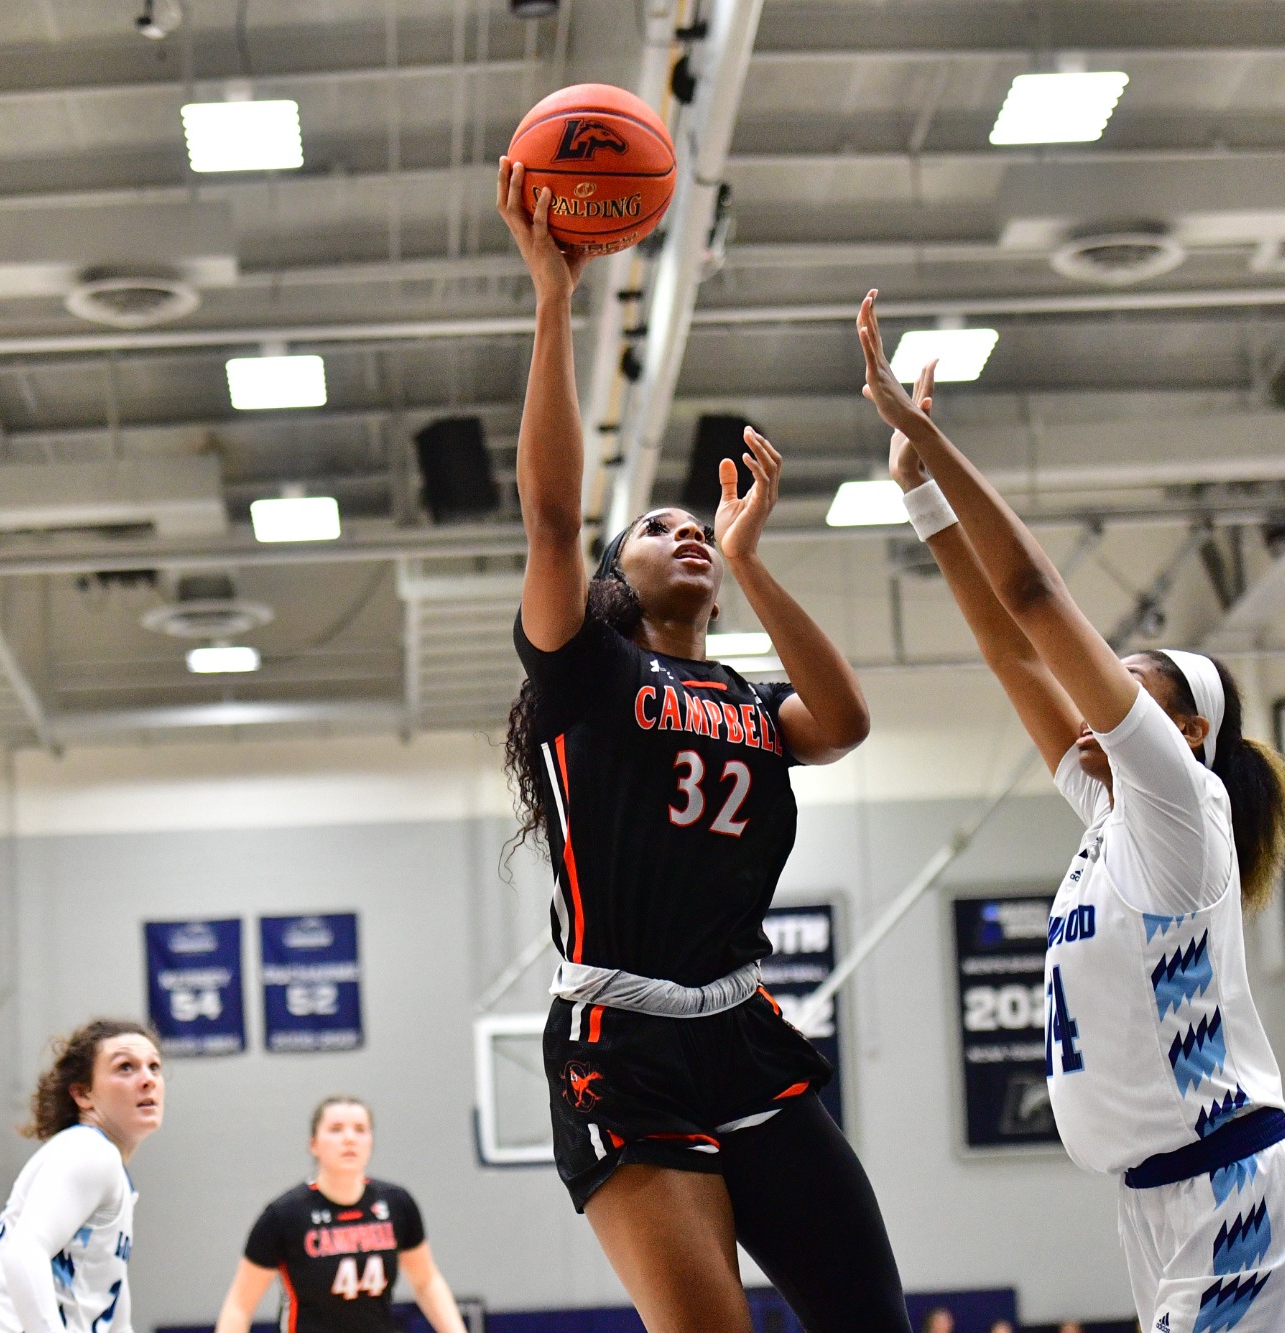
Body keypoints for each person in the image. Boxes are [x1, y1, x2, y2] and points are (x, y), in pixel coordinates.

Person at [857, 289, 1285, 1333]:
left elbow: (1033, 596)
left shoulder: (1177, 801)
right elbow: (1007, 647)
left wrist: (930, 441)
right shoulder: (1108, 816)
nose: (1092, 696)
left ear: (1185, 736)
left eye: (1123, 686)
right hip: (1155, 1199)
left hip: (1235, 1190)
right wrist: (922, 504)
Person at [493, 155, 909, 1333]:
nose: (686, 534)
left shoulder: (744, 694)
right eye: (657, 527)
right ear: (612, 576)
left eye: (697, 530)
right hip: (620, 1041)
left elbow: (843, 722)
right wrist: (554, 301)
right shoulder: (586, 670)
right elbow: (546, 513)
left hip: (738, 1029)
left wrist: (756, 557)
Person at [0, 1019, 164, 1333]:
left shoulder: (103, 1168)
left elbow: (114, 1315)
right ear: (83, 1094)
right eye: (126, 1067)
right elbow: (22, 1253)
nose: (148, 1079)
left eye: (154, 1067)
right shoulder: (90, 1151)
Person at [214, 1096, 466, 1333]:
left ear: (371, 1141)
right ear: (313, 1144)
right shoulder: (285, 1215)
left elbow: (426, 1282)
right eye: (336, 1129)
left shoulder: (397, 1203)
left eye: (360, 1129)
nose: (349, 1139)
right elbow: (239, 1305)